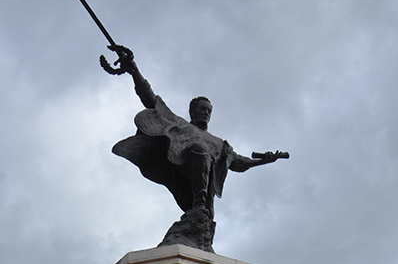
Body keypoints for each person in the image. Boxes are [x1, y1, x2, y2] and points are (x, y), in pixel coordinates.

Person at [109, 46, 288, 219]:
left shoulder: (220, 144)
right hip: (181, 167)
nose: (206, 113)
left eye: (209, 110)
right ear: (192, 111)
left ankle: (201, 213)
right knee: (200, 148)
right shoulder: (179, 123)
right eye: (202, 109)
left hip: (206, 185)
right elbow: (151, 100)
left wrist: (264, 161)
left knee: (206, 220)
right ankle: (199, 204)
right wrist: (135, 72)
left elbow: (239, 163)